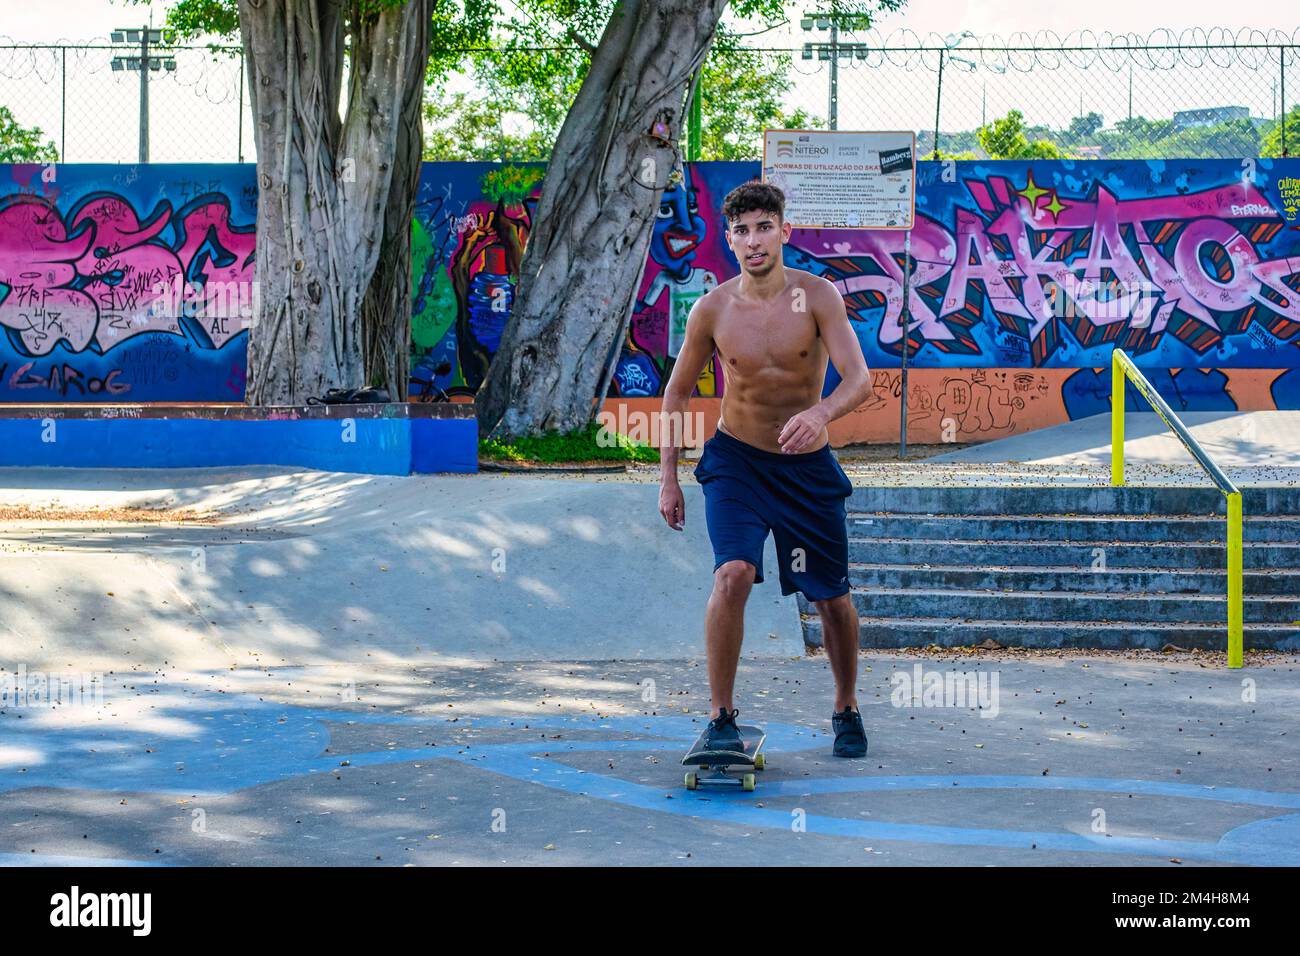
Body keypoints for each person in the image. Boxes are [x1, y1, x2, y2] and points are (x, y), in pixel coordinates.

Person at [658, 180, 873, 758]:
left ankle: (845, 705)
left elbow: (859, 379)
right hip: (738, 463)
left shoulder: (818, 296)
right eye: (742, 231)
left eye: (763, 228)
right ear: (729, 240)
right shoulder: (712, 308)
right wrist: (669, 477)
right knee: (732, 574)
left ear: (784, 232)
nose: (753, 241)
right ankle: (720, 716)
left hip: (806, 469)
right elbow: (677, 394)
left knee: (831, 599)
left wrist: (820, 412)